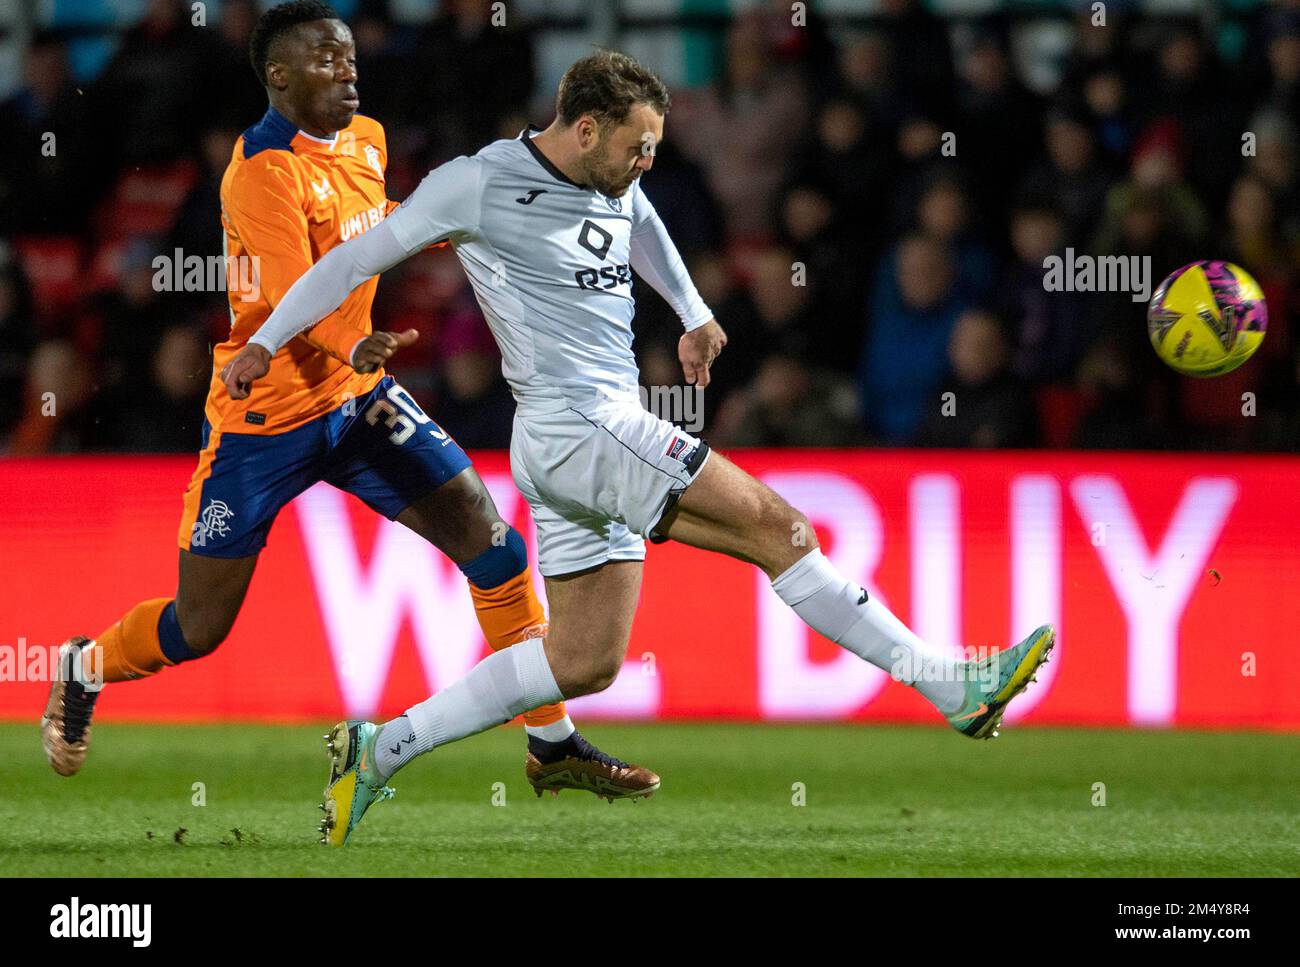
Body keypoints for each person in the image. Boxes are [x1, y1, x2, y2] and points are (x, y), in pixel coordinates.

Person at [222, 50, 1054, 846]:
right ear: (584, 127)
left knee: (584, 660)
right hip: (584, 425)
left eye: (654, 148)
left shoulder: (613, 179)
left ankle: (381, 749)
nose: (645, 163)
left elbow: (642, 222)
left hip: (572, 440)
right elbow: (356, 258)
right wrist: (269, 339)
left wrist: (691, 311)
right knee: (780, 528)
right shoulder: (478, 183)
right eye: (636, 146)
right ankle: (952, 686)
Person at [40, 2, 655, 808]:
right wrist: (347, 342)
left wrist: (472, 222)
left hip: (356, 401)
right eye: (326, 61)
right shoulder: (259, 171)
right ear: (280, 77)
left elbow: (384, 233)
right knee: (198, 627)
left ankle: (551, 742)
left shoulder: (367, 142)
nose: (348, 71)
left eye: (352, 58)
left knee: (493, 544)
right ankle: (85, 665)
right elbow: (294, 294)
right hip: (263, 418)